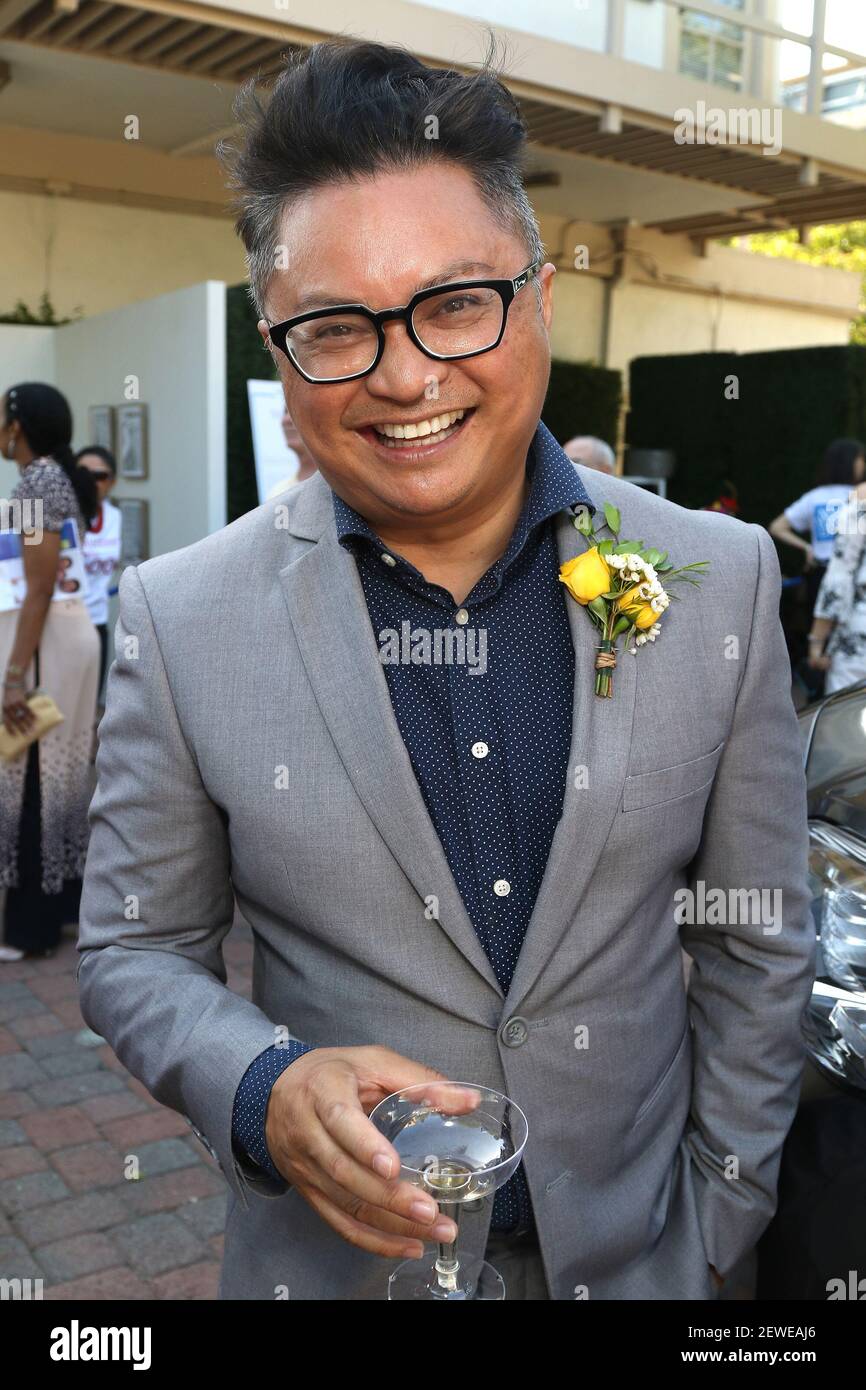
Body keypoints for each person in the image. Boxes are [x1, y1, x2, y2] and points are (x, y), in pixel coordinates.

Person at [78, 40, 814, 1301]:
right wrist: (260, 1087)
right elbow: (133, 952)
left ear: (534, 296)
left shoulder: (716, 578)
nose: (407, 375)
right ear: (277, 352)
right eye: (334, 327)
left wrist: (713, 1220)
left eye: (454, 302)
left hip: (650, 1263)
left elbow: (756, 944)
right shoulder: (181, 614)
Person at [0, 383, 100, 962]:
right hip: (64, 634)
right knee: (57, 773)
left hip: (46, 641)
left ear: (18, 425)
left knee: (32, 767)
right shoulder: (54, 479)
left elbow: (36, 588)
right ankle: (61, 905)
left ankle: (31, 926)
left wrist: (14, 675)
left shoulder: (36, 482)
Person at [769, 438, 865, 609]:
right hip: (855, 573)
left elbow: (777, 527)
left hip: (820, 575)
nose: (863, 465)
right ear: (849, 462)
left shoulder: (814, 497)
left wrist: (807, 547)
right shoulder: (861, 495)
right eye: (860, 459)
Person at [807, 492, 866, 692]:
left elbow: (838, 580)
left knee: (846, 719)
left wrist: (817, 642)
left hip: (858, 644)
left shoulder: (859, 512)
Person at [76, 445, 122, 699]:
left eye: (100, 476)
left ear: (112, 482)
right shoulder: (60, 516)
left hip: (97, 620)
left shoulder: (115, 517)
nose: (92, 483)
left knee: (91, 702)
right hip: (62, 623)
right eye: (83, 474)